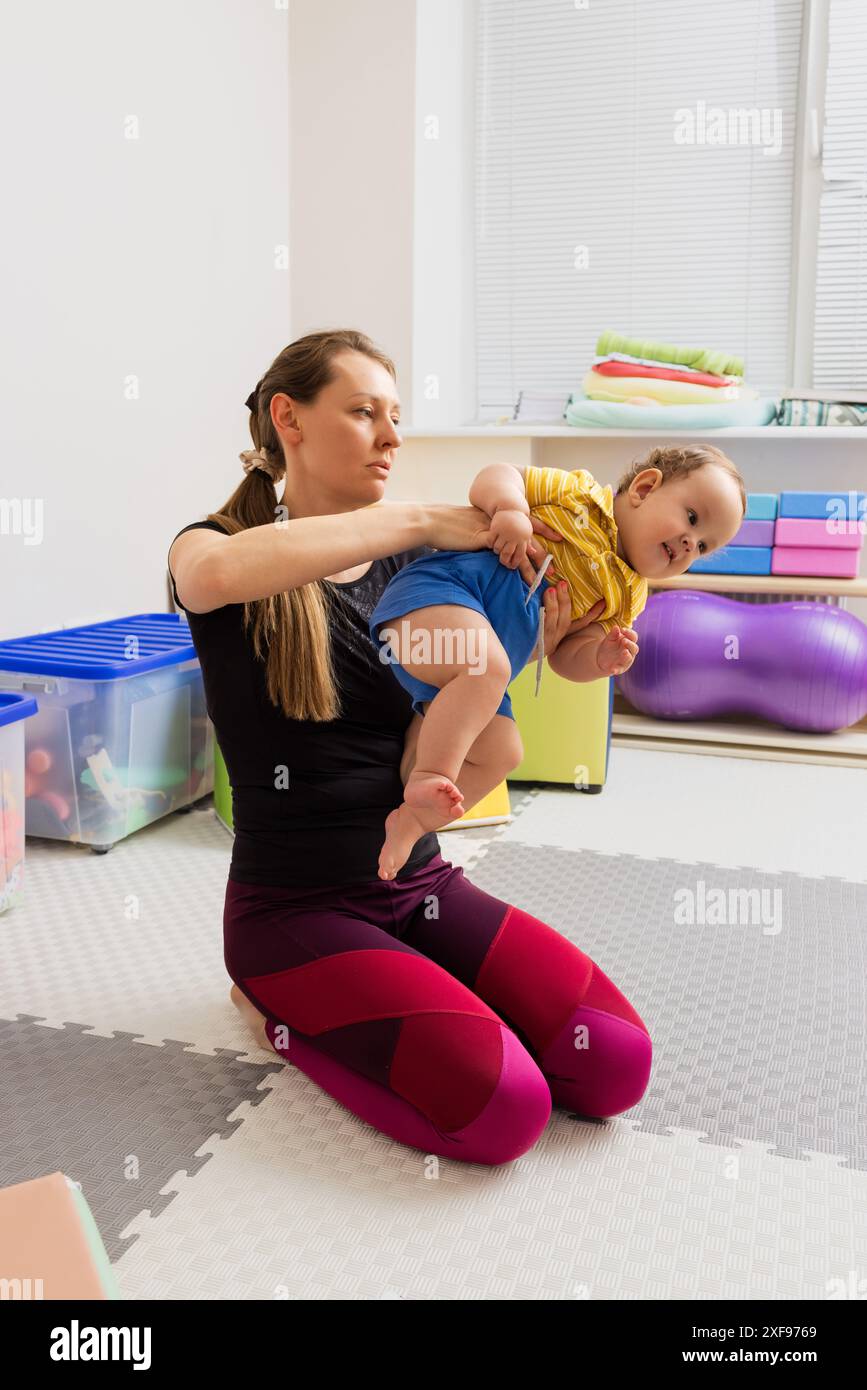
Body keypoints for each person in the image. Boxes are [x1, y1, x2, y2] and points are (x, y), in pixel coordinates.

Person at [167, 329, 652, 1167]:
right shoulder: (213, 546)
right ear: (290, 418)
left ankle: (414, 982)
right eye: (363, 413)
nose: (393, 437)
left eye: (397, 416)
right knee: (502, 1111)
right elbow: (209, 579)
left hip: (416, 882)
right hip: (295, 909)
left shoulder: (420, 576)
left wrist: (542, 635)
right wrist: (424, 515)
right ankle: (270, 1007)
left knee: (609, 1061)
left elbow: (457, 716)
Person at [368, 447, 747, 879]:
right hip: (433, 602)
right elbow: (498, 472)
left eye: (702, 547)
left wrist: (598, 658)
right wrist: (509, 508)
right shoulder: (579, 494)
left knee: (504, 751)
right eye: (693, 519)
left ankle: (413, 822)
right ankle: (429, 776)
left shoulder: (628, 598)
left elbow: (566, 657)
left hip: (466, 673)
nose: (688, 546)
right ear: (644, 488)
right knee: (486, 667)